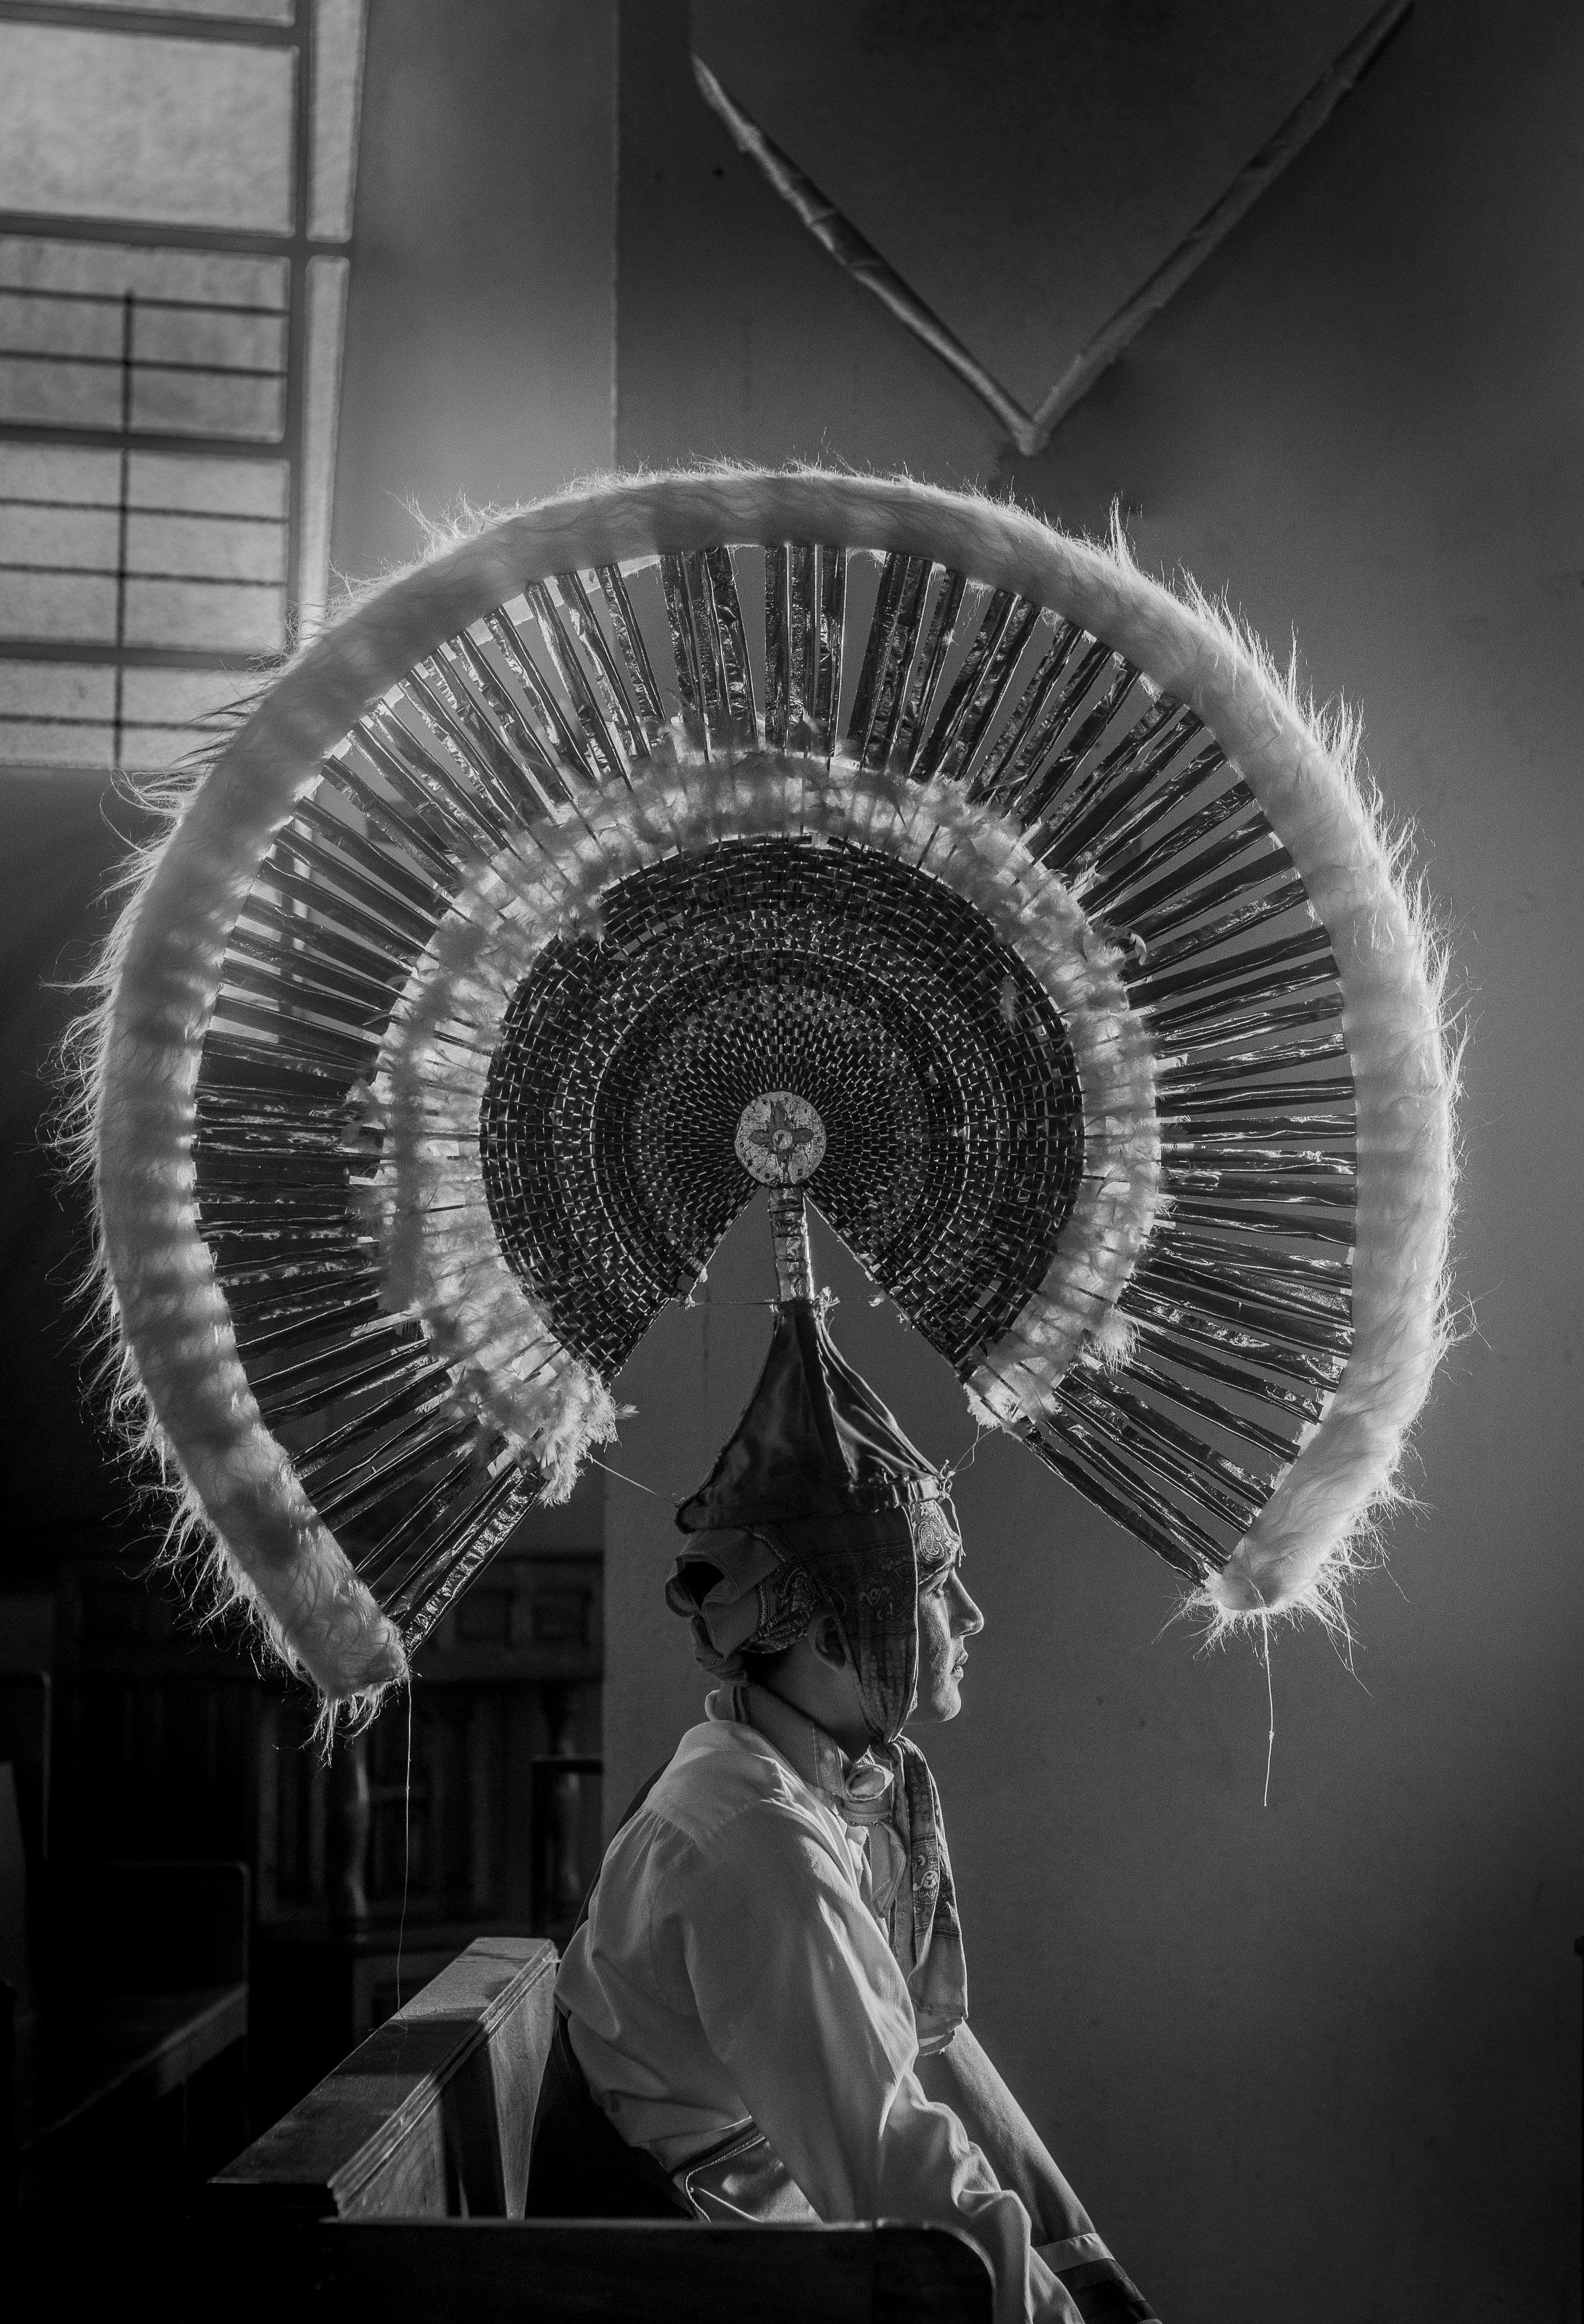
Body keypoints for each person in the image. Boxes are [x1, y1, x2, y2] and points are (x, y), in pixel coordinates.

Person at [526, 1291, 1156, 2324]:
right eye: (936, 1582)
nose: (971, 1615)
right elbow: (893, 2171)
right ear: (826, 1633)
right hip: (698, 2284)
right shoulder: (754, 1845)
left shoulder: (778, 1784)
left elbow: (925, 2088)